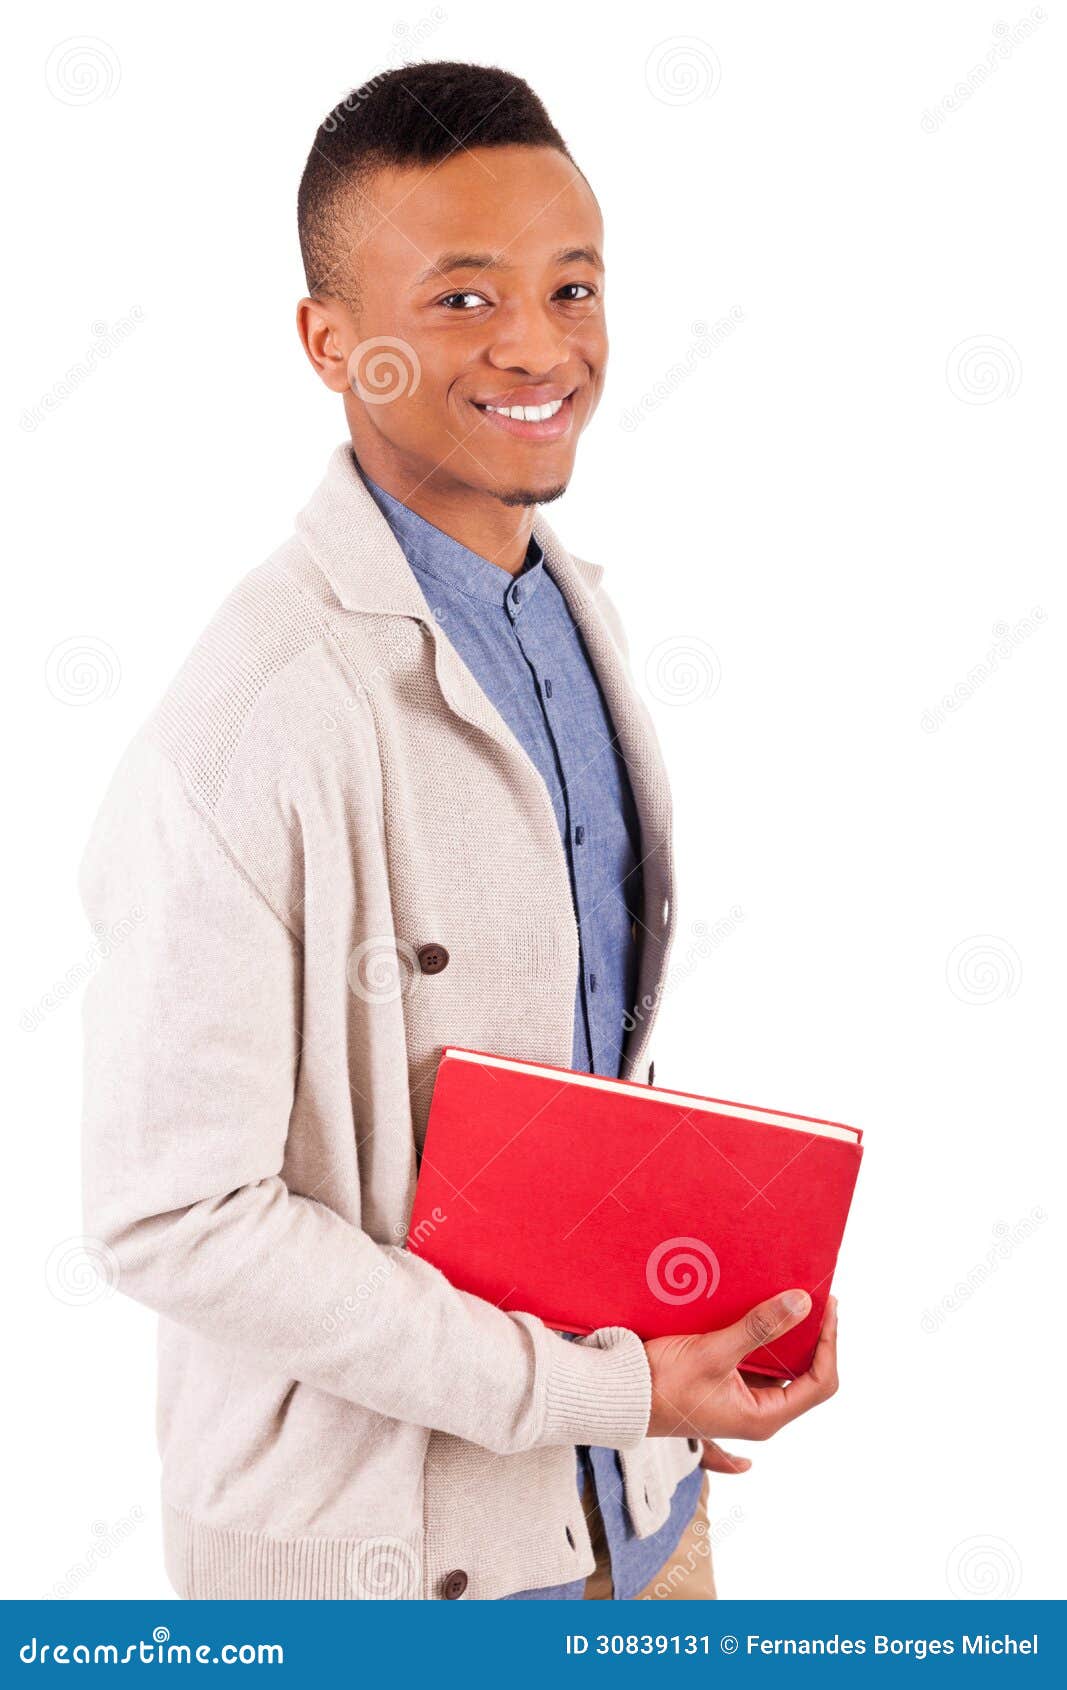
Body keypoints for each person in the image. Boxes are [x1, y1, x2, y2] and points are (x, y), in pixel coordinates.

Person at [80, 60, 838, 1603]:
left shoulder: (575, 612)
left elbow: (553, 1076)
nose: (538, 346)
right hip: (396, 1576)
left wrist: (701, 1328)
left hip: (640, 1513)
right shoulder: (255, 721)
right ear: (328, 343)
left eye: (573, 286)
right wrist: (615, 1388)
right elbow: (169, 1214)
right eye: (462, 300)